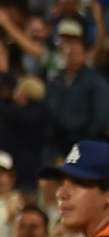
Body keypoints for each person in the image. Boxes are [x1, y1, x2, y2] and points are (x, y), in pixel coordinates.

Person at [44, 18, 109, 151]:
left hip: (84, 141)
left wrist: (88, 137)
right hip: (56, 142)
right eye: (68, 54)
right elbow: (48, 109)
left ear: (84, 56)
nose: (72, 57)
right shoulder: (56, 81)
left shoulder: (95, 81)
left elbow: (101, 115)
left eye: (76, 54)